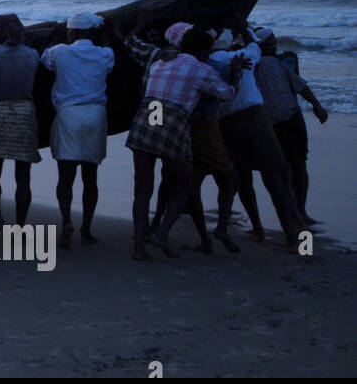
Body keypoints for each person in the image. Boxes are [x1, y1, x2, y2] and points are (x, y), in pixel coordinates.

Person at [128, 19, 241, 254]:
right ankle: (161, 232)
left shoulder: (160, 61)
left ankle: (139, 247)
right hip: (172, 122)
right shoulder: (202, 69)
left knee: (142, 190)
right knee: (183, 185)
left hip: (146, 117)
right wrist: (236, 76)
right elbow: (226, 94)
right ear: (202, 50)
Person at [209, 18, 303, 246]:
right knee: (275, 174)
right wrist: (245, 30)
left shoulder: (207, 62)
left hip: (225, 124)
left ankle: (249, 228)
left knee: (238, 178)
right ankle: (293, 236)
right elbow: (255, 46)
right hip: (253, 117)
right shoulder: (244, 57)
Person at [40, 12, 114, 249]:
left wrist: (57, 35)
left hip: (69, 115)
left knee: (66, 177)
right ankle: (87, 229)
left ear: (70, 32)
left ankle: (66, 222)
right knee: (90, 178)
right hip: (95, 115)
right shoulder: (105, 54)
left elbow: (45, 58)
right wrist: (105, 34)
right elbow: (110, 50)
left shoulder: (60, 51)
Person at [254, 27, 328, 227]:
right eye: (270, 42)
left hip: (292, 118)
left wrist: (317, 105)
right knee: (285, 168)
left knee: (299, 165)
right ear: (260, 46)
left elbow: (300, 85)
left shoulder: (278, 64)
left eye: (274, 42)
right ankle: (293, 212)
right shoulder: (251, 64)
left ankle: (300, 210)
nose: (274, 45)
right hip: (272, 122)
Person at [0, 14, 42, 227]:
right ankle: (21, 224)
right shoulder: (32, 54)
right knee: (23, 176)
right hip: (25, 112)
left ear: (1, 34)